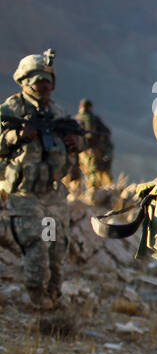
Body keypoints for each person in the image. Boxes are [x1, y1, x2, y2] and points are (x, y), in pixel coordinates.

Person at [0, 49, 82, 310]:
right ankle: (38, 298)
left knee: (57, 245)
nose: (44, 86)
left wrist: (74, 144)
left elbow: (74, 150)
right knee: (37, 241)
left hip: (53, 193)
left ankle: (54, 296)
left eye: (48, 80)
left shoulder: (58, 113)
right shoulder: (11, 110)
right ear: (25, 81)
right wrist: (17, 136)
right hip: (24, 192)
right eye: (39, 80)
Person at [73, 99, 113, 186]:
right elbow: (106, 133)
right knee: (96, 174)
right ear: (90, 107)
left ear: (80, 107)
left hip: (79, 151)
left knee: (84, 174)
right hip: (92, 151)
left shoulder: (76, 118)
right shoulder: (92, 118)